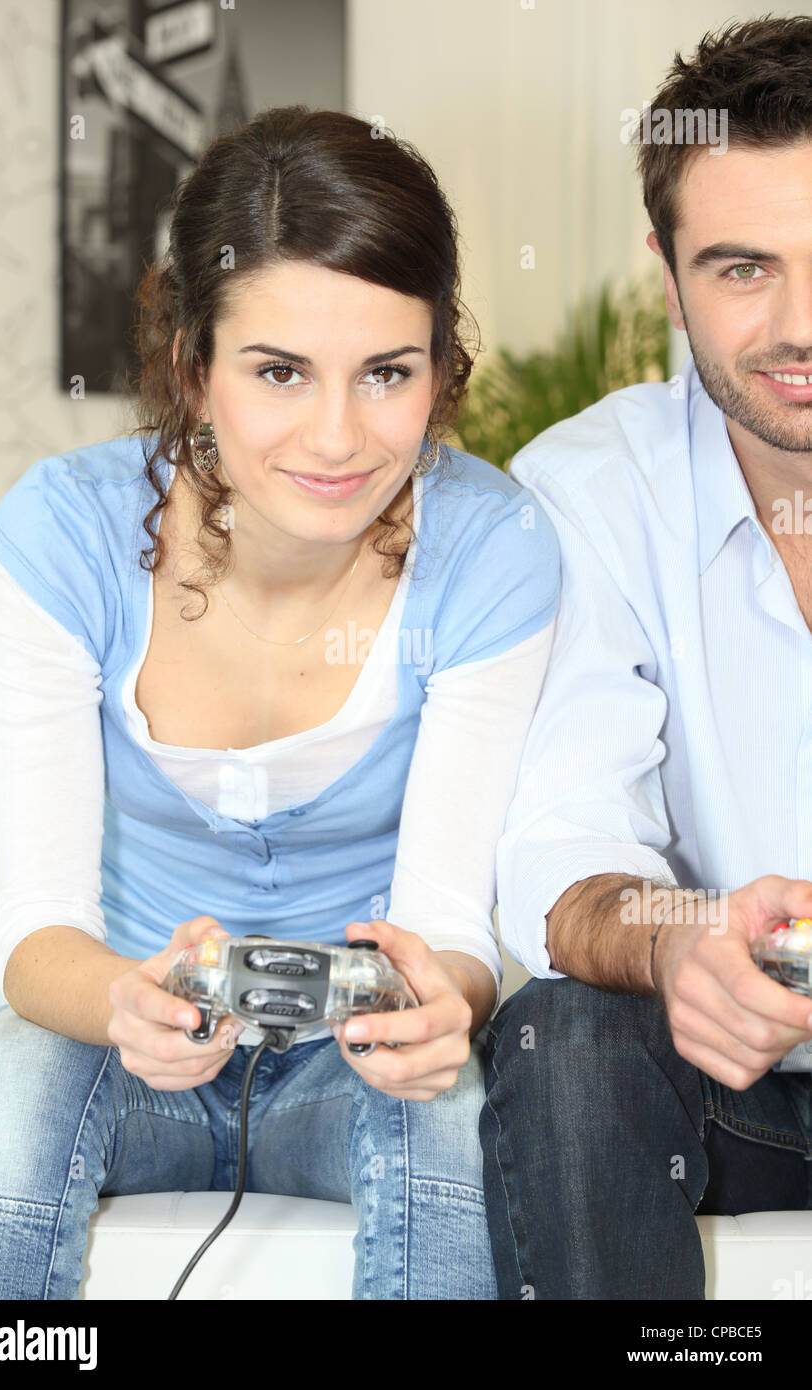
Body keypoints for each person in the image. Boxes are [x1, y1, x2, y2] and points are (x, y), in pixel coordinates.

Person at [0, 106, 559, 1300]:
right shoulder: (60, 532)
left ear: (442, 368)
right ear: (193, 362)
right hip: (124, 1050)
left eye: (387, 373)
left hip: (352, 1059)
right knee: (21, 1067)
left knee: (439, 1100)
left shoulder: (493, 543)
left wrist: (444, 1001)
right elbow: (38, 934)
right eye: (278, 371)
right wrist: (122, 999)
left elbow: (447, 918)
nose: (337, 437)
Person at [480, 14, 812, 1300]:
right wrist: (680, 941)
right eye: (743, 269)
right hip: (721, 1103)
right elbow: (563, 860)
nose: (797, 325)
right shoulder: (583, 490)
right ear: (669, 283)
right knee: (564, 1031)